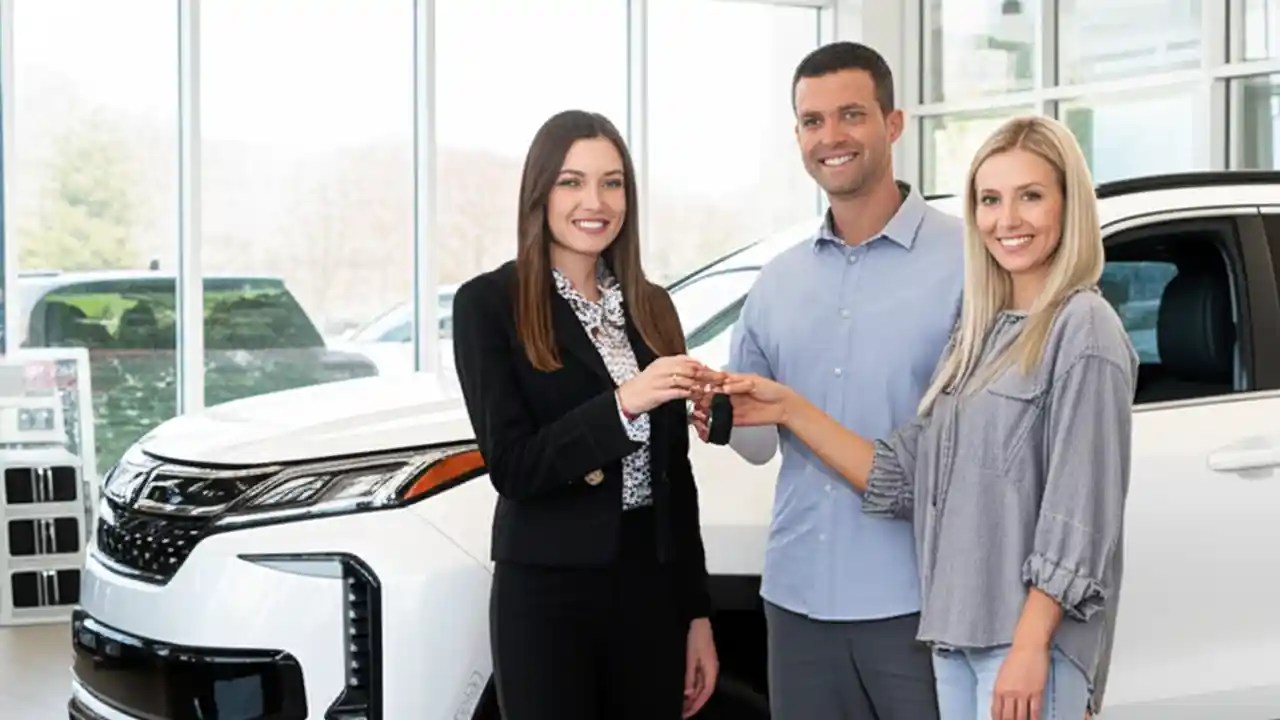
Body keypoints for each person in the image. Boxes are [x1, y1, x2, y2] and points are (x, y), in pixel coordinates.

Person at [709, 114, 1137, 720]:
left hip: (1020, 646)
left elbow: (1079, 518)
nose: (1006, 220)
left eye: (1031, 196)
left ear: (1070, 207)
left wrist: (1031, 644)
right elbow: (903, 476)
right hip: (956, 640)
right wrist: (789, 409)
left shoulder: (1084, 330)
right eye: (990, 199)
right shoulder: (979, 336)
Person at [694, 41, 963, 719]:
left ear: (893, 123)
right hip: (797, 601)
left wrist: (790, 410)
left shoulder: (968, 262)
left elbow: (962, 462)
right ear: (797, 136)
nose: (831, 137)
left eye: (851, 115)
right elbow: (756, 444)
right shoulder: (779, 280)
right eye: (813, 122)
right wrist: (712, 410)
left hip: (919, 604)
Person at [451, 109, 718, 720]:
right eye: (572, 181)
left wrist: (695, 612)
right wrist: (625, 403)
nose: (594, 201)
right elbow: (514, 466)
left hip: (649, 590)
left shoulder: (652, 306)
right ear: (540, 192)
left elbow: (676, 477)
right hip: (548, 592)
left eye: (612, 182)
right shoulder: (488, 305)